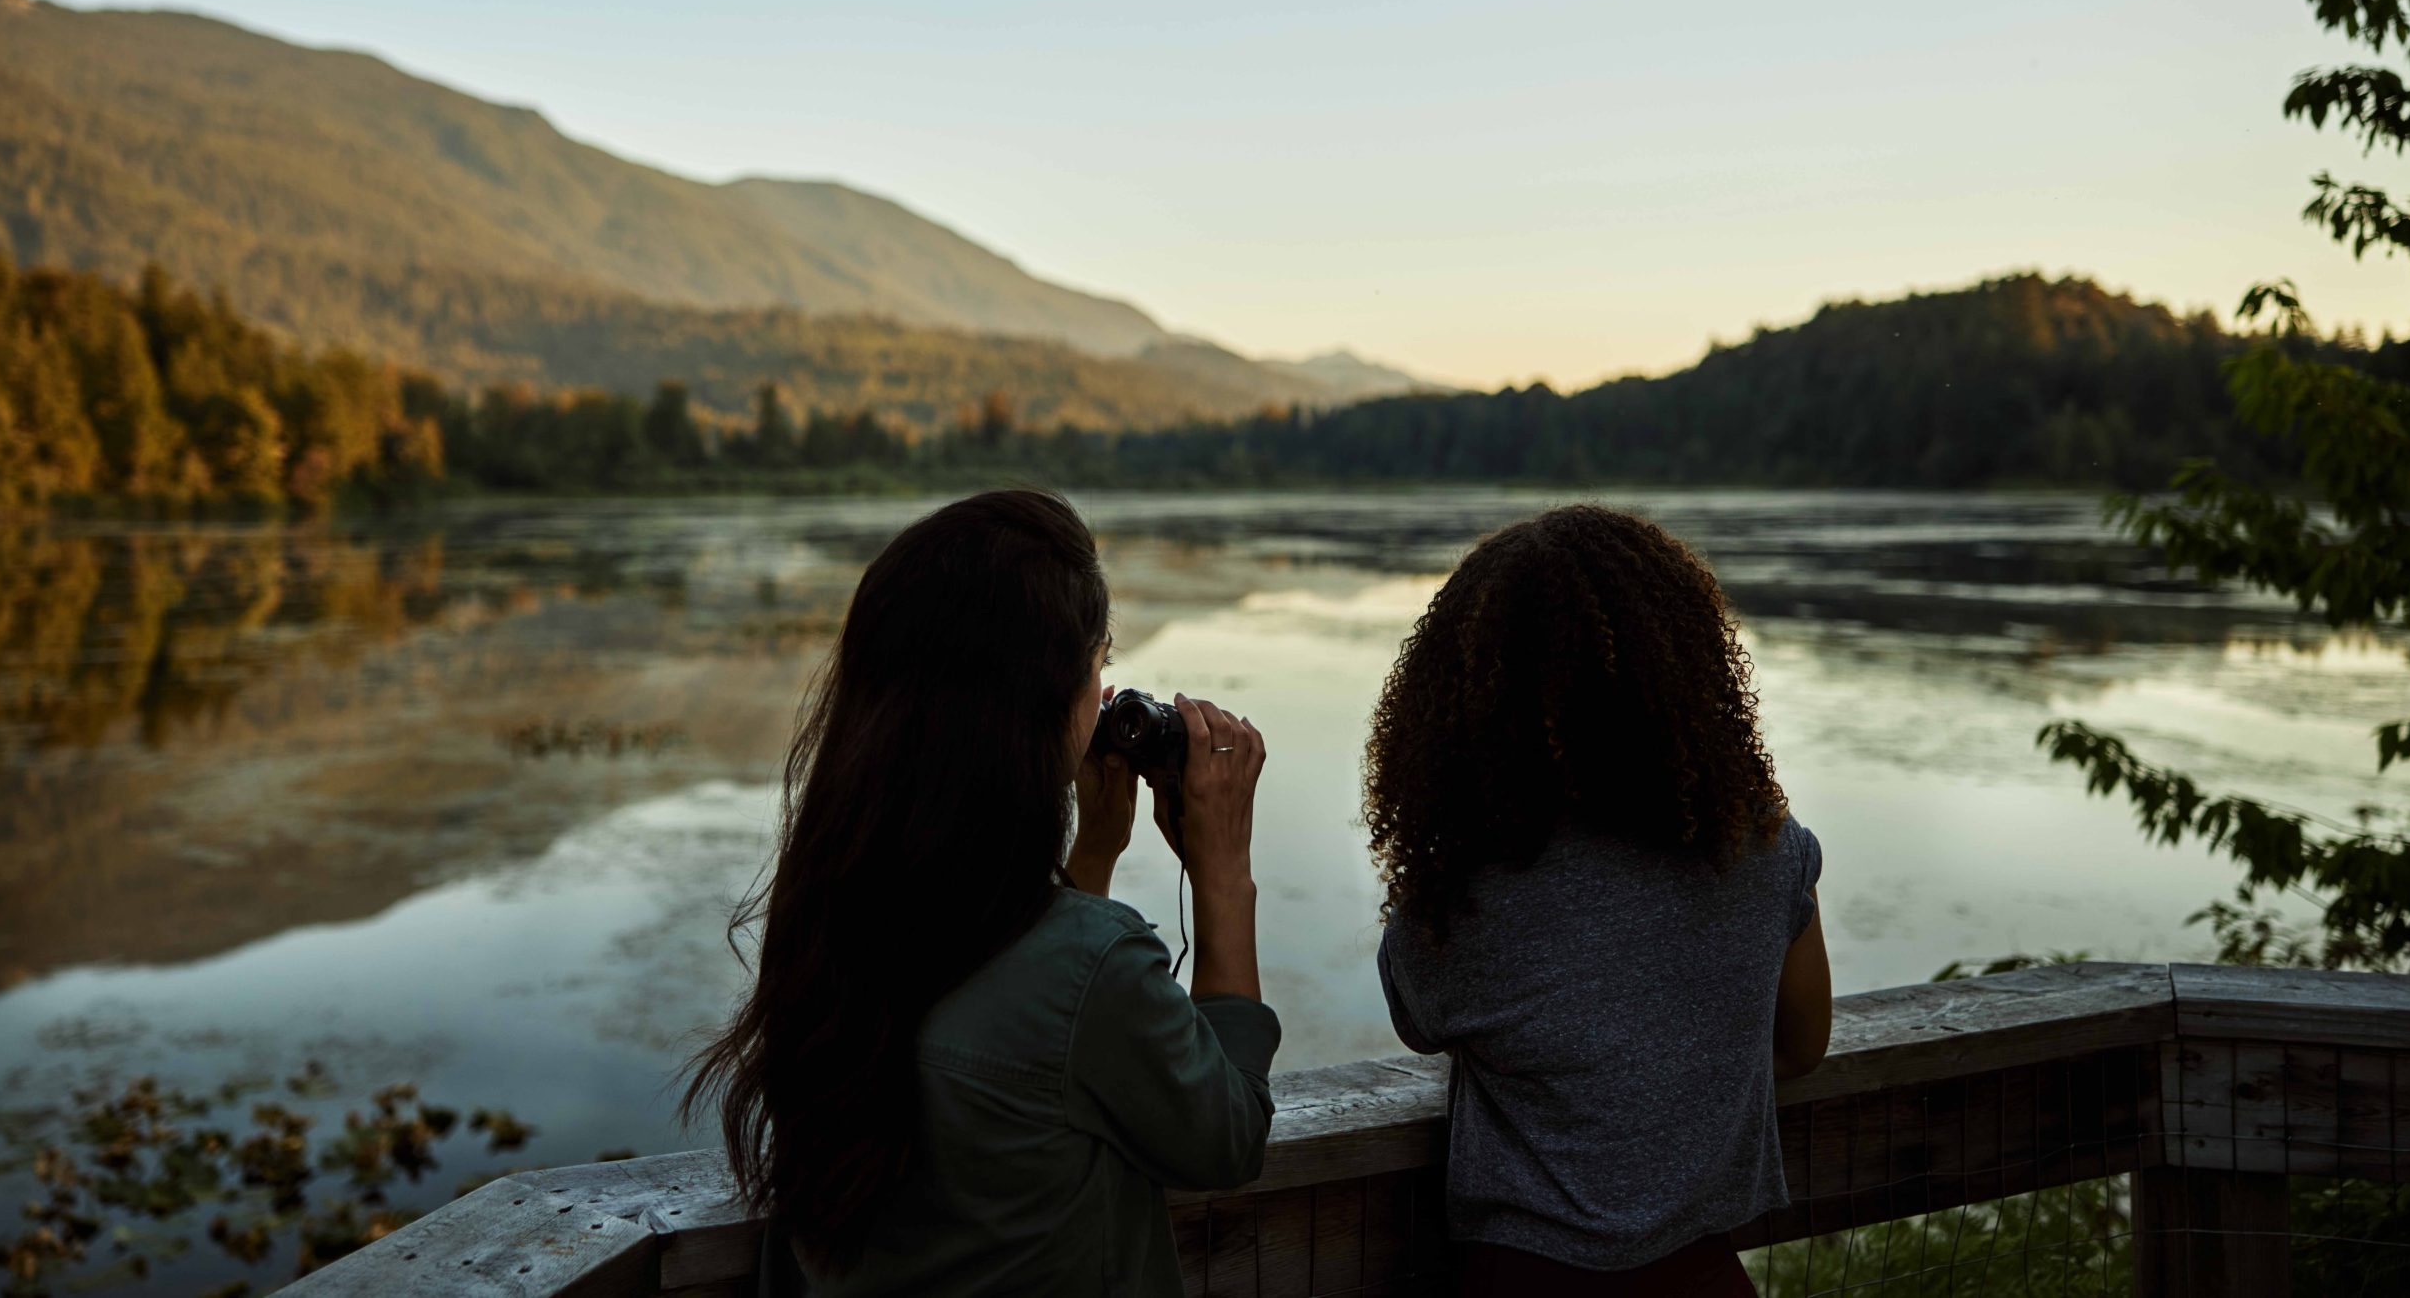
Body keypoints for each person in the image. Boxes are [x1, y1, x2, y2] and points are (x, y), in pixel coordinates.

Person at [684, 489, 1276, 1297]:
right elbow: (1229, 1137)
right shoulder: (1095, 966)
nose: (1103, 697)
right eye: (1097, 666)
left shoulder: (833, 920)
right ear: (1042, 702)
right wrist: (1223, 870)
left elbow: (1031, 1025)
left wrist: (1091, 852)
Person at [1367, 505, 1831, 1298]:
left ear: (1465, 705)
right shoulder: (1766, 853)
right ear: (1683, 670)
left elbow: (1424, 1024)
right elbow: (1798, 1047)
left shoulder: (1454, 914)